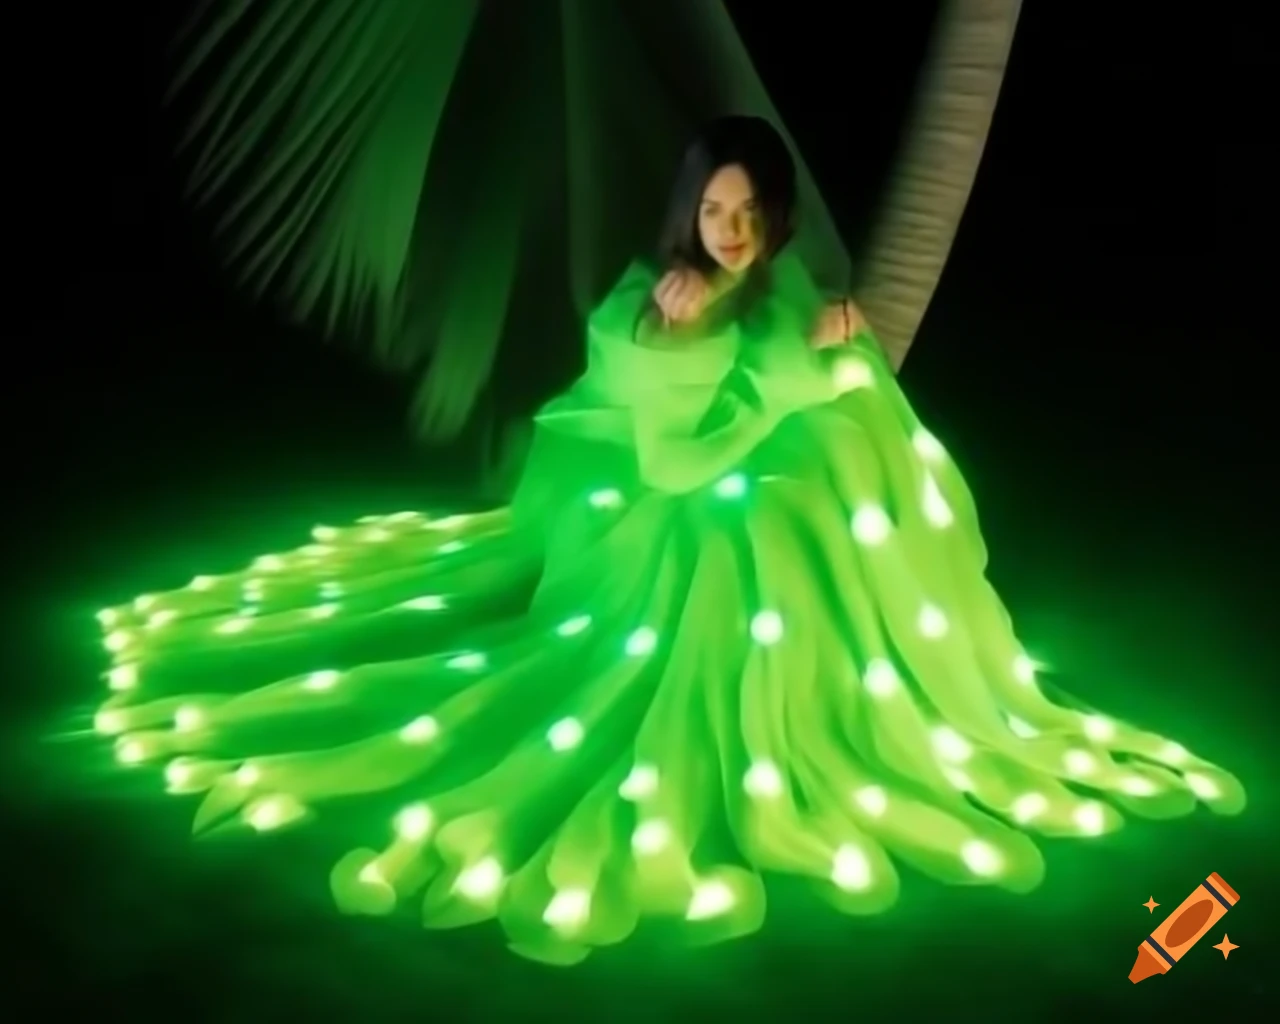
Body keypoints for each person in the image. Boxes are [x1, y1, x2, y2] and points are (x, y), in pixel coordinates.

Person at [92, 115, 1244, 967]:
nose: (732, 234)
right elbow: (676, 463)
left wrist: (828, 347)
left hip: (753, 457)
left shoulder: (779, 282)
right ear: (685, 213)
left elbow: (806, 359)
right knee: (754, 541)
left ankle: (875, 684)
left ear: (776, 218)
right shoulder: (654, 309)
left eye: (752, 214)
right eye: (713, 212)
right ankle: (782, 721)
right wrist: (769, 388)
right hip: (658, 492)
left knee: (841, 476)